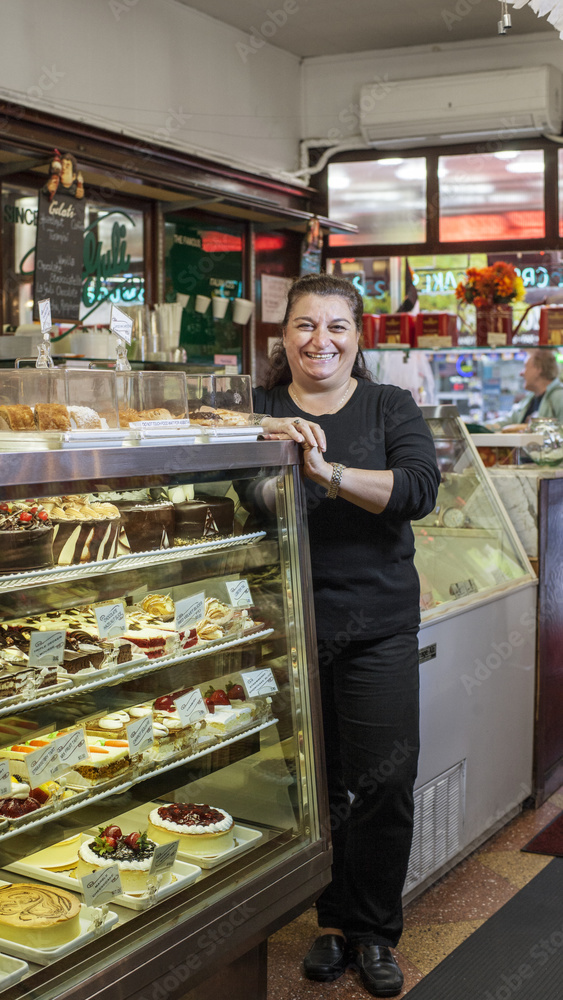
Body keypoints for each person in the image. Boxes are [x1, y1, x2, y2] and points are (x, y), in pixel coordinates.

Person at [254, 274, 440, 998]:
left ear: (357, 337)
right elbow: (231, 486)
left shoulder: (387, 405)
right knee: (315, 787)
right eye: (304, 326)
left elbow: (417, 489)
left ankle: (372, 931)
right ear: (284, 337)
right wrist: (263, 442)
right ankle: (330, 925)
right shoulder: (259, 408)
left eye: (334, 326)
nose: (318, 341)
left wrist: (324, 470)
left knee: (383, 781)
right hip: (287, 626)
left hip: (376, 627)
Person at [494, 348, 563, 431]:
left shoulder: (559, 396)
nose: (521, 373)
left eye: (525, 367)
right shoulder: (529, 399)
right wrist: (478, 428)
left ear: (538, 369)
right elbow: (505, 422)